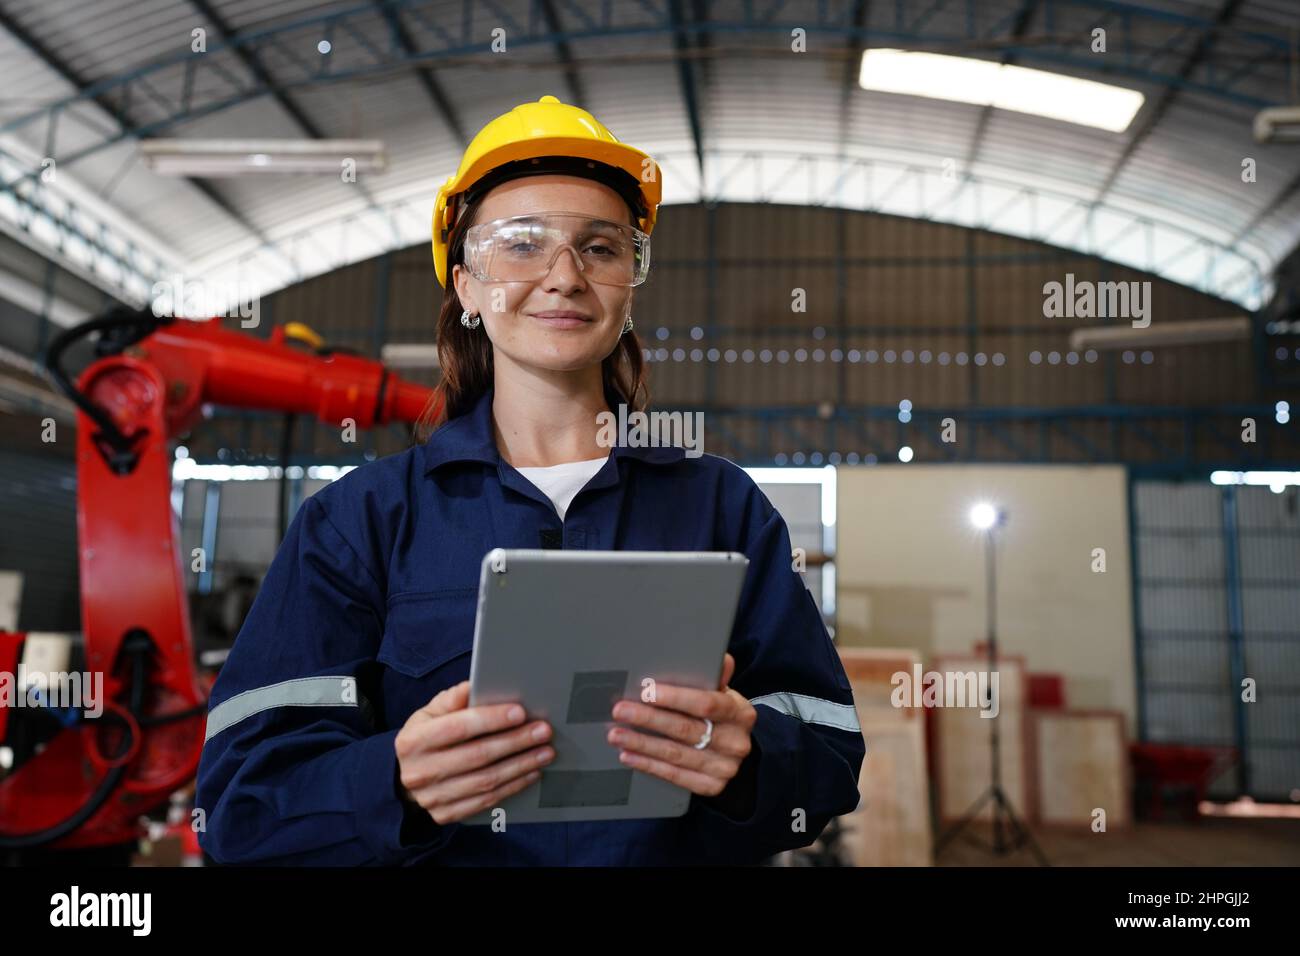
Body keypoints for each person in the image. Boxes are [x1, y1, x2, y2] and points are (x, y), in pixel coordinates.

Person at [195, 95, 864, 866]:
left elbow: (830, 757)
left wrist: (753, 758)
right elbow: (240, 807)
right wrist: (393, 782)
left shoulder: (721, 506)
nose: (564, 276)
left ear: (629, 285)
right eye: (520, 245)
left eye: (601, 248)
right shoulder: (361, 522)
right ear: (468, 288)